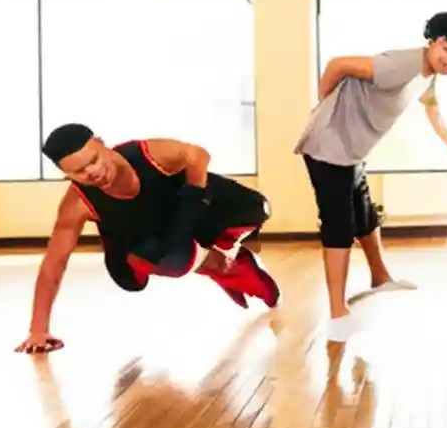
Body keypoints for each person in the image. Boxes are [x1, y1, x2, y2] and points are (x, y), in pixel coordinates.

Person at [15, 124, 280, 354]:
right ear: (67, 175)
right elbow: (54, 265)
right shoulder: (77, 205)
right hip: (139, 240)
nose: (91, 172)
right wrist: (38, 330)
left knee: (256, 208)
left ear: (101, 144)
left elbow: (198, 155)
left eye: (93, 160)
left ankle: (222, 257)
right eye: (79, 172)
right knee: (143, 270)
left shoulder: (150, 154)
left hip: (186, 208)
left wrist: (190, 210)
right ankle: (221, 265)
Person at [294, 11, 447, 342]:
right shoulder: (404, 64)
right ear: (433, 42)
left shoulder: (427, 73)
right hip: (329, 146)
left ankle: (380, 277)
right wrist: (325, 105)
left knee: (364, 214)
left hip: (351, 150)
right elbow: (338, 65)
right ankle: (338, 314)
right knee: (339, 225)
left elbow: (431, 107)